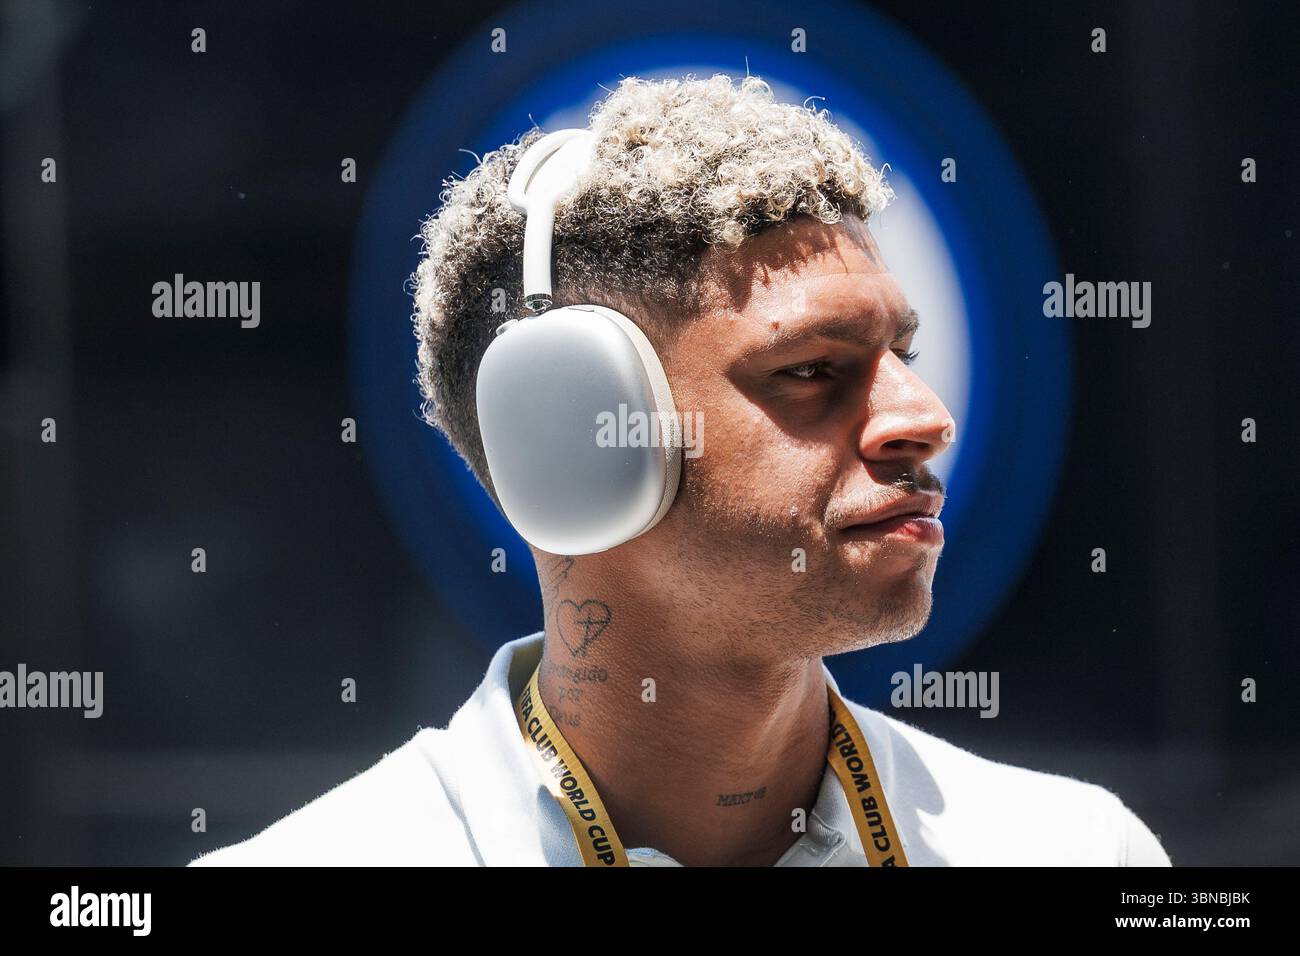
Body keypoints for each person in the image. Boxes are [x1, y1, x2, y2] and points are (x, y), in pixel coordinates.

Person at [190, 73, 1171, 867]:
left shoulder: (1082, 851)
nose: (923, 417)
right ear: (571, 436)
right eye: (811, 371)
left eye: (901, 357)